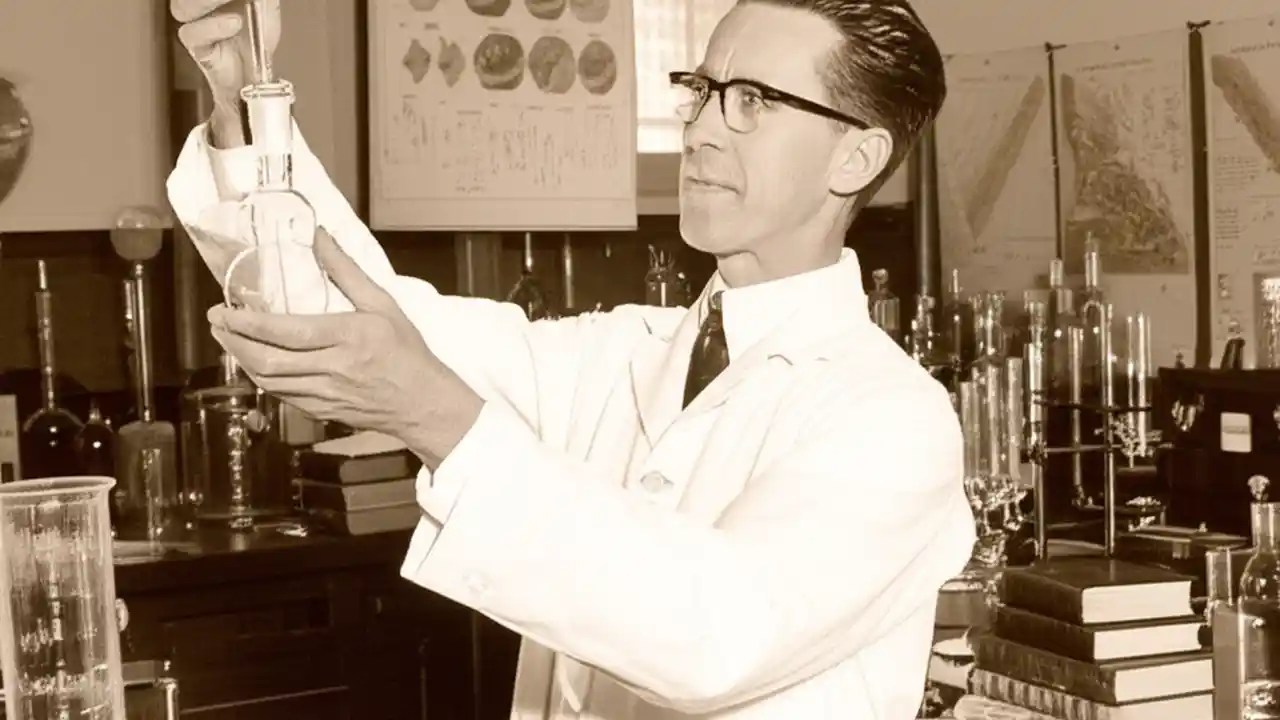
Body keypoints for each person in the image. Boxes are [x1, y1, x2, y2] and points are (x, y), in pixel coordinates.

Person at [168, 0, 974, 716]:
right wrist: (248, 101)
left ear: (856, 160)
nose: (698, 129)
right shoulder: (618, 352)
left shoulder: (893, 419)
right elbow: (344, 309)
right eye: (701, 90)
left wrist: (438, 416)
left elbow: (715, 637)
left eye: (752, 102)